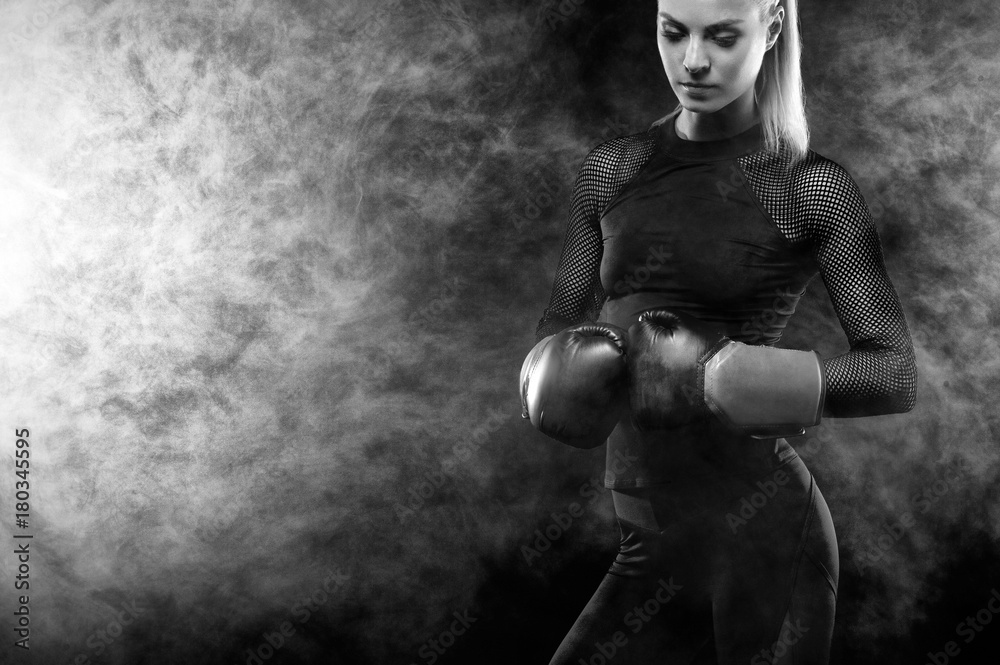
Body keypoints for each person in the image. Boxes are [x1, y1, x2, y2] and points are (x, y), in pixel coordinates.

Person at [519, 0, 918, 663]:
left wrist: (720, 376)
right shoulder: (612, 173)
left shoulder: (810, 188)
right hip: (645, 539)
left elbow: (893, 372)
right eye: (673, 32)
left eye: (721, 36)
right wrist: (552, 370)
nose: (693, 60)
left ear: (771, 27)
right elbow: (560, 319)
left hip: (765, 538)